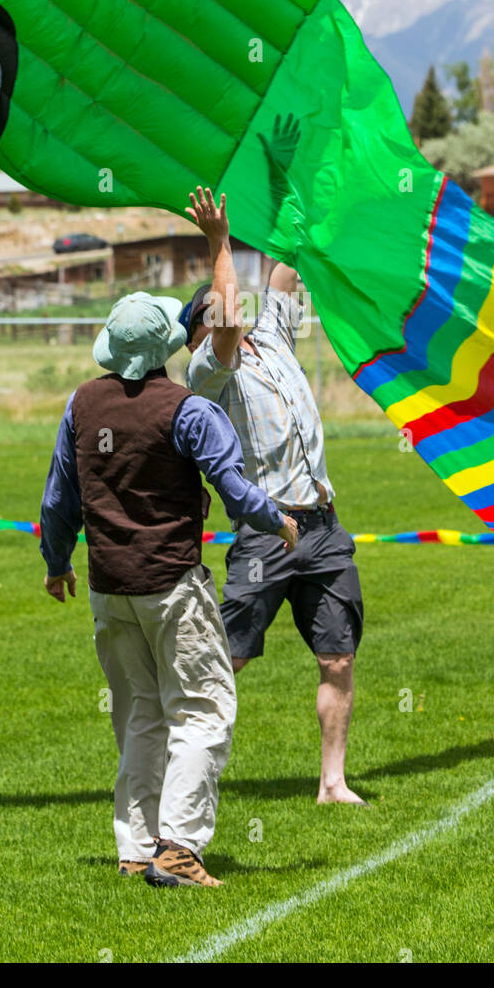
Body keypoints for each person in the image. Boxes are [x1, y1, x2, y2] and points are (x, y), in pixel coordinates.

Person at [40, 289, 298, 888]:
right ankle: (179, 847)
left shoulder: (81, 405)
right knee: (205, 710)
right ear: (167, 347)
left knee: (139, 717)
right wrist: (277, 520)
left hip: (108, 587)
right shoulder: (188, 411)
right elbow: (235, 491)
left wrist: (57, 564)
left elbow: (58, 499)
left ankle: (135, 849)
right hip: (172, 585)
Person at [182, 188, 367, 805]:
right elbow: (232, 314)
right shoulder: (206, 370)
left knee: (337, 658)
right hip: (266, 531)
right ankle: (183, 776)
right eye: (217, 305)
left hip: (322, 526)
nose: (231, 305)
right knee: (228, 661)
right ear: (199, 330)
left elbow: (286, 266)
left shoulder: (276, 340)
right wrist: (218, 240)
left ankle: (332, 783)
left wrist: (293, 179)